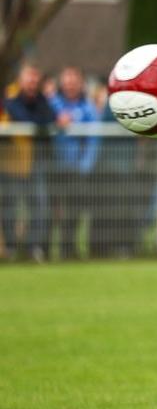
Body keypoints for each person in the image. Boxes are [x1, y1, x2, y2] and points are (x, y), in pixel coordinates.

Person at [3, 64, 56, 261]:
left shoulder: (42, 100)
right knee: (10, 207)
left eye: (35, 79)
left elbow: (49, 118)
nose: (32, 82)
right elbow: (22, 116)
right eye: (29, 78)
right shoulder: (10, 97)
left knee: (39, 205)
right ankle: (11, 248)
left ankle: (33, 247)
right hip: (13, 163)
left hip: (34, 162)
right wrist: (37, 123)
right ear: (21, 79)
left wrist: (37, 123)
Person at [49, 66, 101, 260]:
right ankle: (42, 251)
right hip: (53, 169)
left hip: (77, 170)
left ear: (80, 83)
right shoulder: (52, 104)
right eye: (67, 80)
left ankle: (69, 249)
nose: (70, 85)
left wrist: (85, 166)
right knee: (48, 211)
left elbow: (93, 139)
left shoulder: (87, 107)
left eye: (74, 81)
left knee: (74, 212)